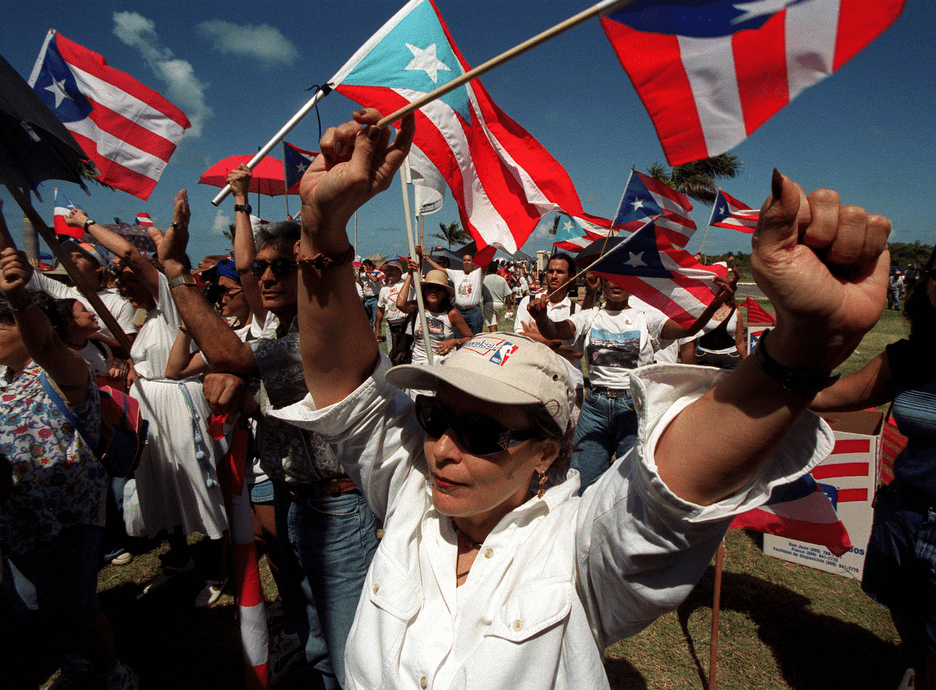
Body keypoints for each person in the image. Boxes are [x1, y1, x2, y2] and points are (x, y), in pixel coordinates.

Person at [278, 109, 890, 689]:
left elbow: (669, 493)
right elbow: (349, 386)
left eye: (484, 433)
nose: (439, 448)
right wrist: (321, 227)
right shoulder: (412, 488)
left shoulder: (576, 553)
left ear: (547, 453)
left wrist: (803, 346)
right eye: (434, 417)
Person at [153, 204, 377, 690]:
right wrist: (242, 392)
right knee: (315, 642)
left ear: (306, 268)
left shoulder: (323, 330)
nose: (266, 276)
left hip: (336, 508)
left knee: (350, 654)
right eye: (258, 268)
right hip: (291, 501)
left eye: (282, 266)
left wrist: (175, 272)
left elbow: (232, 355)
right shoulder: (275, 328)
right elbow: (264, 392)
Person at [64, 199, 230, 600]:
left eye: (128, 279)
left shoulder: (174, 305)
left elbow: (131, 255)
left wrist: (85, 223)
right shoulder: (152, 318)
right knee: (157, 485)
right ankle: (179, 559)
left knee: (196, 485)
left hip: (179, 409)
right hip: (149, 413)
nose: (122, 284)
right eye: (119, 280)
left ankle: (218, 568)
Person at [0, 228, 138, 688]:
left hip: (69, 518)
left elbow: (43, 345)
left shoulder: (59, 370)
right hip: (15, 522)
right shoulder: (2, 383)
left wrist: (19, 300)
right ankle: (75, 656)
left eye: (1, 325)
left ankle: (110, 671)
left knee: (77, 605)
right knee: (36, 605)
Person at [811, 245, 936, 690]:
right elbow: (825, 397)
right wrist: (823, 335)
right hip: (904, 515)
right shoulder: (913, 356)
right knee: (905, 609)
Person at [532, 274, 734, 493]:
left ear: (632, 287)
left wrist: (713, 306)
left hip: (633, 408)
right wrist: (542, 318)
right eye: (610, 279)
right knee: (584, 481)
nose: (616, 284)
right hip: (594, 409)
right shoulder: (589, 317)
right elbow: (553, 331)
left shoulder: (647, 318)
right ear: (602, 283)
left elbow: (688, 330)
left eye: (623, 281)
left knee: (633, 484)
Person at [513, 253, 585, 415]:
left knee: (569, 437)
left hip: (569, 385)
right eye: (550, 271)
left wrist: (538, 337)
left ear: (571, 277)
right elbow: (521, 341)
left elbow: (579, 352)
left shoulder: (576, 311)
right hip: (535, 383)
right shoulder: (529, 302)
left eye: (560, 272)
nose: (554, 276)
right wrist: (560, 344)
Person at [394, 261, 472, 367]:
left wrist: (454, 342)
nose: (433, 291)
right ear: (424, 290)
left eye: (438, 288)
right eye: (430, 287)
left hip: (444, 363)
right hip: (419, 363)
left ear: (445, 293)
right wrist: (409, 275)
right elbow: (400, 304)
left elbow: (469, 338)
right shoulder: (418, 308)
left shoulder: (451, 313)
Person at [684, 268, 748, 370]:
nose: (719, 290)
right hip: (704, 357)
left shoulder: (736, 313)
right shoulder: (702, 310)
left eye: (722, 287)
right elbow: (691, 340)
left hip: (730, 358)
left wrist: (745, 363)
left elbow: (739, 341)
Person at [421, 247, 485, 334]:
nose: (466, 262)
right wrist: (426, 258)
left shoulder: (478, 273)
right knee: (458, 338)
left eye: (469, 260)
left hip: (473, 312)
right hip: (459, 311)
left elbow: (486, 262)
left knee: (474, 338)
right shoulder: (457, 274)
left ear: (473, 262)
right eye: (464, 260)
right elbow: (440, 269)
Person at [373, 259, 414, 365]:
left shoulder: (407, 285)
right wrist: (377, 329)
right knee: (393, 353)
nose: (389, 272)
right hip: (390, 325)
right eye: (387, 270)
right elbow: (380, 310)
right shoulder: (383, 290)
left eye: (392, 270)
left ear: (400, 272)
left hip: (406, 322)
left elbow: (415, 276)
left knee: (405, 351)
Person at [482, 260, 512, 332]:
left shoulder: (484, 280)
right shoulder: (502, 280)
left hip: (489, 304)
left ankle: (494, 340)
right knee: (495, 325)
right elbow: (507, 295)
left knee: (492, 326)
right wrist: (509, 308)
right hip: (500, 304)